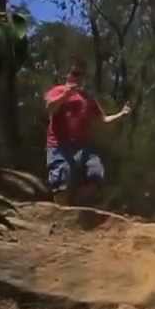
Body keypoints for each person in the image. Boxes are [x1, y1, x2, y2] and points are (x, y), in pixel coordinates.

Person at [44, 59, 130, 206]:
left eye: (81, 75)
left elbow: (103, 119)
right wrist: (66, 94)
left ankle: (77, 209)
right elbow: (50, 108)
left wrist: (121, 114)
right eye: (75, 74)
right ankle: (59, 213)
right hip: (59, 145)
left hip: (82, 147)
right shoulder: (57, 91)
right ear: (68, 75)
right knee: (61, 179)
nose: (78, 78)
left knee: (96, 172)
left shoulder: (88, 99)